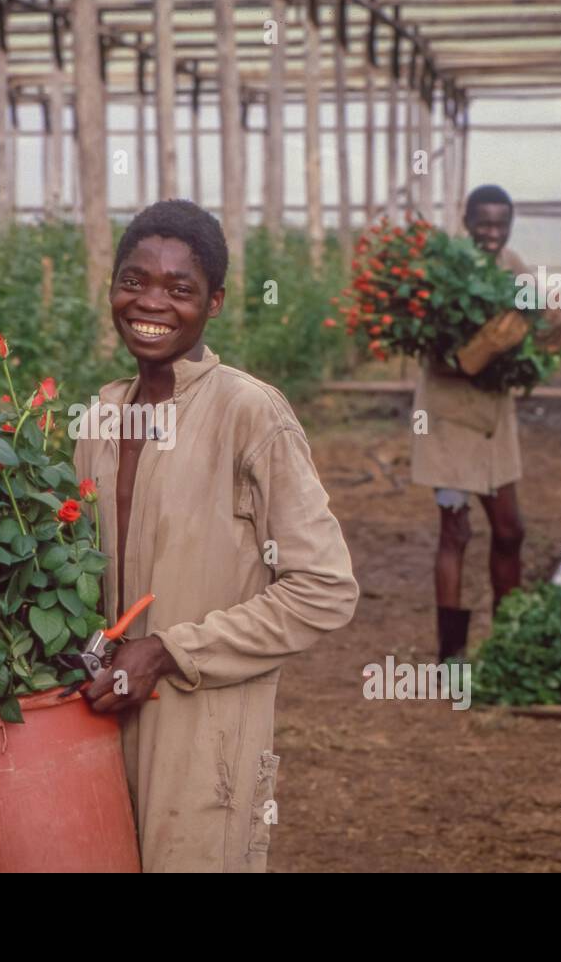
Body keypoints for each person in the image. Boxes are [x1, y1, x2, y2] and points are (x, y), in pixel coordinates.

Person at [72, 199, 360, 873]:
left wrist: (170, 650)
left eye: (180, 289)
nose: (151, 302)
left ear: (216, 302)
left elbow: (324, 589)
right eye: (133, 280)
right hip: (97, 732)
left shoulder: (248, 412)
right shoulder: (99, 417)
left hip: (206, 746)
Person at [410, 184, 561, 662]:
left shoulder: (512, 267)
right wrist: (480, 350)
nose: (492, 233)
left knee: (510, 530)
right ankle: (451, 654)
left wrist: (553, 322)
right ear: (467, 221)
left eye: (501, 224)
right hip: (448, 422)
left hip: (495, 423)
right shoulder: (444, 273)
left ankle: (508, 642)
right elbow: (437, 355)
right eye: (484, 223)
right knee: (455, 532)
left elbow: (537, 324)